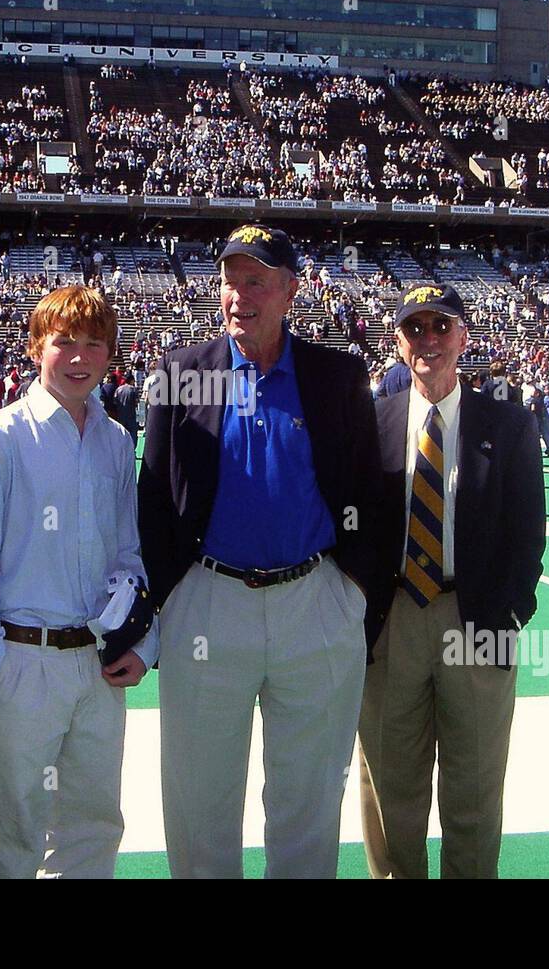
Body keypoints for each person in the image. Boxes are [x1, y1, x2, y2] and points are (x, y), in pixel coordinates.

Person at [139, 224, 383, 878]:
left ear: (289, 289)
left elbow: (371, 491)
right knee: (199, 798)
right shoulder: (182, 372)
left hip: (315, 601)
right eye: (229, 280)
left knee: (307, 801)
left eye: (255, 281)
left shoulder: (337, 374)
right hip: (209, 603)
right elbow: (154, 496)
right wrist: (173, 594)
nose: (238, 295)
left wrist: (351, 593)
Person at [0, 285, 155, 878]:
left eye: (94, 344)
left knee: (94, 827)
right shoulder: (0, 437)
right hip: (23, 660)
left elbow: (128, 551)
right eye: (64, 341)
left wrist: (142, 642)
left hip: (98, 661)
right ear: (37, 345)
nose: (78, 356)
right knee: (16, 833)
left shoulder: (116, 441)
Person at [360, 284, 545, 879]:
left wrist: (510, 613)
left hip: (477, 617)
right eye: (415, 328)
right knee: (391, 791)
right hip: (393, 621)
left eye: (442, 327)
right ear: (398, 340)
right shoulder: (374, 423)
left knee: (474, 789)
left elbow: (529, 533)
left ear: (464, 336)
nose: (428, 340)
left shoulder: (508, 424)